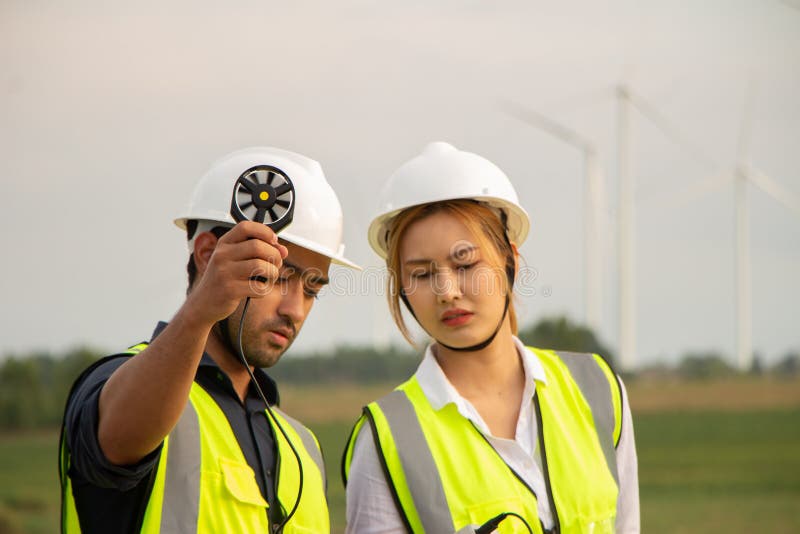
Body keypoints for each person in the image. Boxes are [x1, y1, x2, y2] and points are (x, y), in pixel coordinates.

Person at [342, 142, 639, 534]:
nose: (447, 290)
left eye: (465, 263)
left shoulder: (598, 390)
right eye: (422, 274)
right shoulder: (386, 440)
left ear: (510, 259)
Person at [60, 147, 360, 533]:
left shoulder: (302, 447)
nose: (296, 309)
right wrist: (201, 311)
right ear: (206, 255)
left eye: (312, 288)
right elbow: (118, 439)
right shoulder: (121, 386)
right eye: (279, 276)